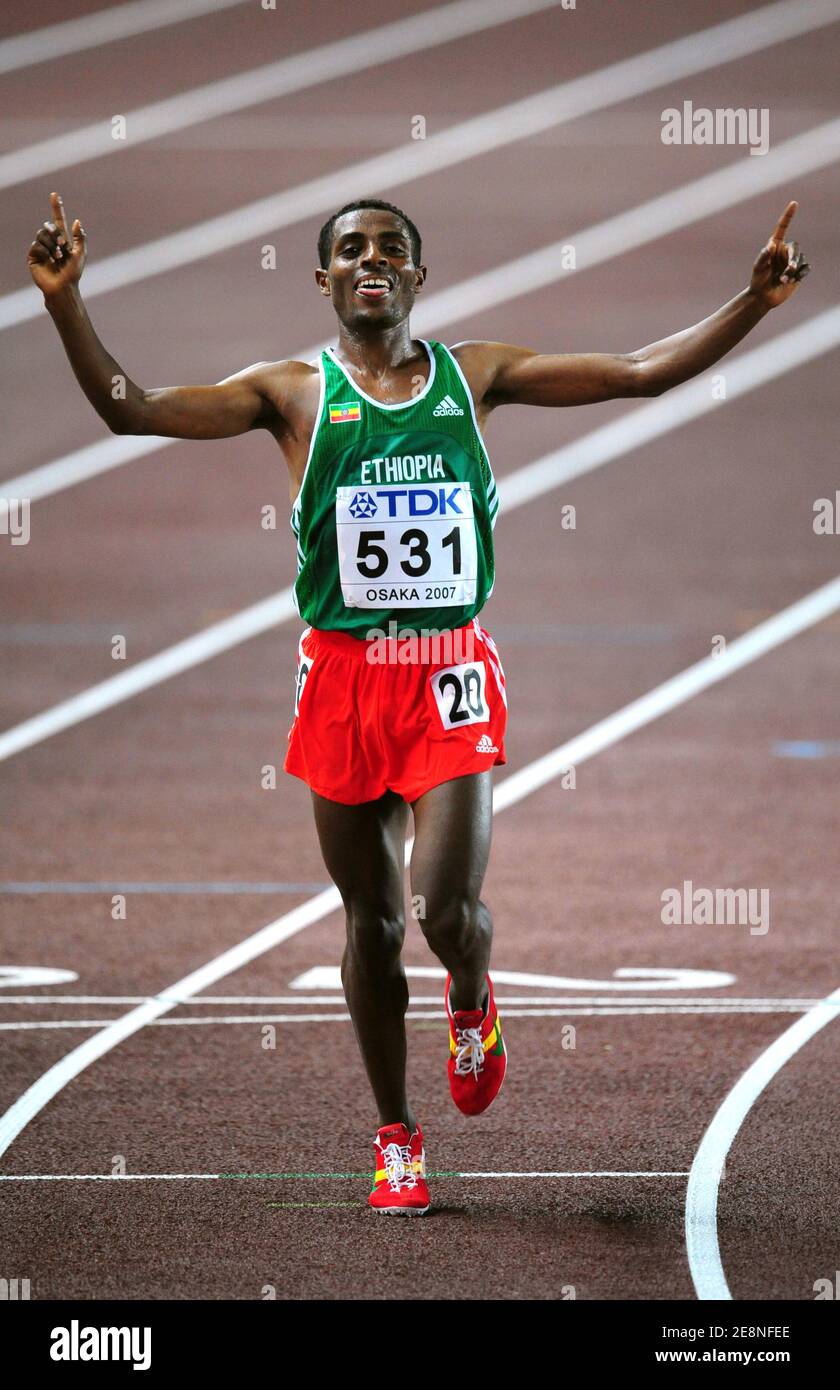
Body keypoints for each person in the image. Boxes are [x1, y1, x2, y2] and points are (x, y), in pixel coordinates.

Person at [29, 191, 809, 1215]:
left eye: (391, 248)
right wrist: (64, 301)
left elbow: (637, 373)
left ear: (417, 276)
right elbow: (131, 406)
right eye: (349, 248)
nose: (371, 260)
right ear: (321, 280)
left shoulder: (471, 376)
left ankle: (474, 996)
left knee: (445, 910)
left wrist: (750, 302)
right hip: (345, 683)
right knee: (371, 921)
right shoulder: (289, 394)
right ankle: (397, 1134)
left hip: (447, 677)